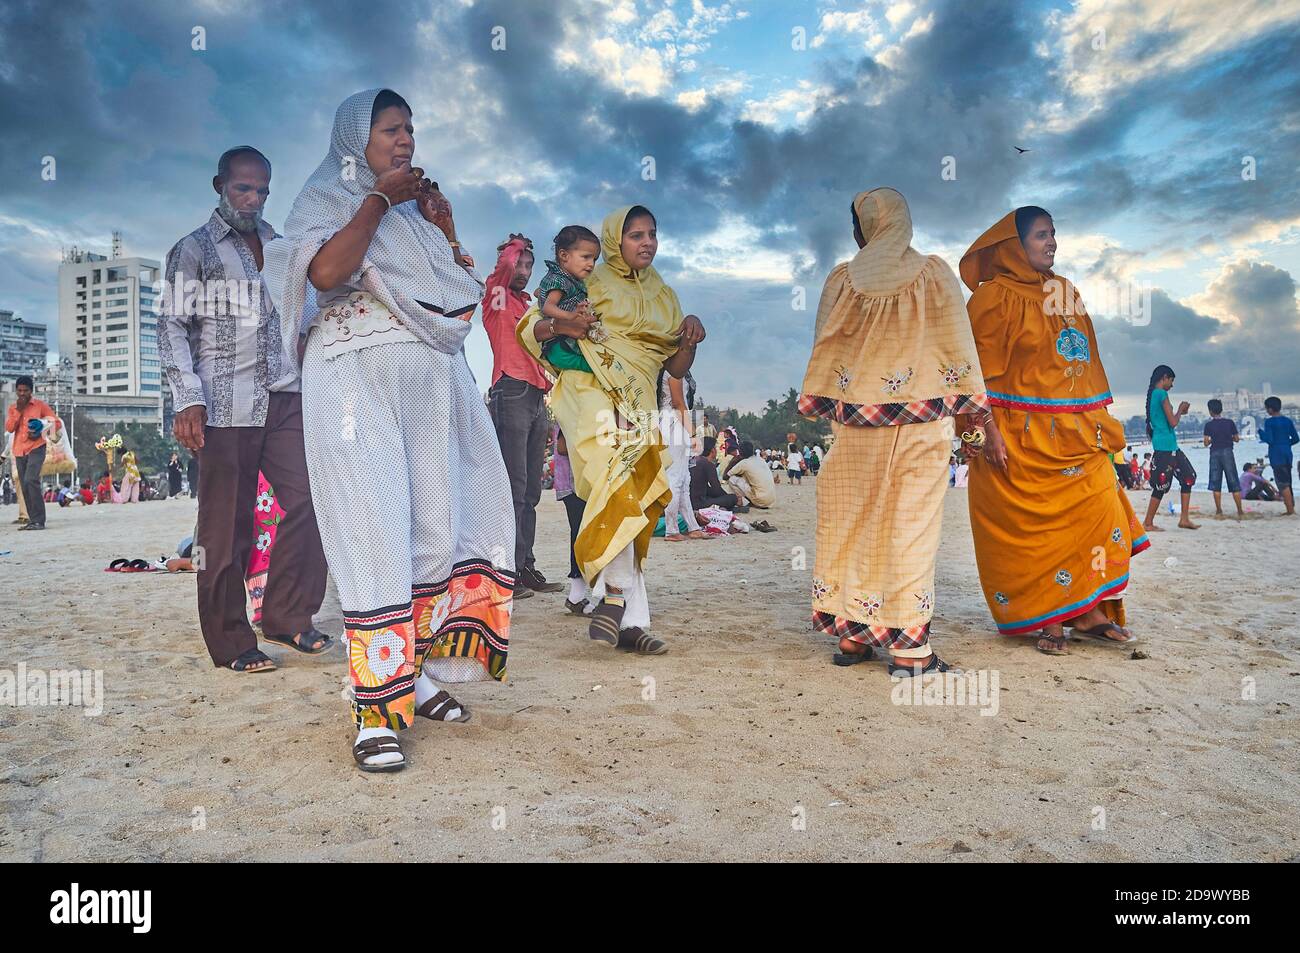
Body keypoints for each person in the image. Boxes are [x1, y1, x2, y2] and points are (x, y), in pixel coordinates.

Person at [264, 88, 514, 772]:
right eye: (391, 129)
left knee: (435, 531)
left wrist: (444, 224)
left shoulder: (417, 214)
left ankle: (413, 673)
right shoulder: (326, 196)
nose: (406, 140)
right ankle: (373, 706)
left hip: (432, 381)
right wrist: (376, 198)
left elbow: (454, 295)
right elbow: (326, 271)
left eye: (411, 129)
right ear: (356, 138)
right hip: (354, 378)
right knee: (375, 528)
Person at [159, 143, 332, 676]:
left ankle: (284, 614)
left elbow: (303, 313)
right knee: (223, 528)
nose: (253, 199)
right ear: (219, 186)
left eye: (261, 190)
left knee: (313, 500)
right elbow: (171, 326)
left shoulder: (281, 247)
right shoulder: (193, 250)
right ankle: (231, 639)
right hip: (222, 404)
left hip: (285, 396)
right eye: (243, 188)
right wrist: (187, 398)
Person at [800, 187, 986, 674]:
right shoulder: (932, 273)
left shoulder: (841, 280)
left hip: (857, 425)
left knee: (852, 521)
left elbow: (826, 345)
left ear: (862, 228)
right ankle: (909, 649)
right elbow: (956, 342)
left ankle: (852, 638)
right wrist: (972, 410)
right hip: (923, 420)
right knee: (909, 529)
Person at [518, 204, 706, 656]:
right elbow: (533, 328)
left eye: (652, 234)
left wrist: (689, 341)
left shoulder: (666, 297)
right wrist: (566, 323)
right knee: (614, 479)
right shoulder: (588, 280)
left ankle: (630, 620)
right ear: (614, 242)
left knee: (634, 499)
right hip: (588, 391)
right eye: (636, 234)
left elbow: (671, 368)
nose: (647, 242)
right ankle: (617, 595)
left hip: (637, 401)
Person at [961, 205, 1148, 655]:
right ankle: (1052, 618)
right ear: (1015, 245)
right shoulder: (990, 299)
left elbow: (1081, 365)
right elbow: (968, 374)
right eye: (1042, 235)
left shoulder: (1065, 291)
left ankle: (1086, 611)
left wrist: (1096, 424)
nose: (1053, 243)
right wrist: (986, 431)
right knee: (1033, 531)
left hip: (1073, 432)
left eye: (1053, 234)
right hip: (1013, 433)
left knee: (1099, 506)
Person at [482, 232, 565, 598]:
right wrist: (515, 246)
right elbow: (503, 268)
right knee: (512, 487)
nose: (524, 270)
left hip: (536, 394)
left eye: (530, 265)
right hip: (510, 390)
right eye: (520, 263)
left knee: (531, 489)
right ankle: (506, 573)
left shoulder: (529, 305)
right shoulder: (496, 297)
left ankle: (524, 565)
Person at [536, 225, 603, 374]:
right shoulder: (561, 281)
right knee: (593, 366)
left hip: (566, 344)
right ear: (564, 255)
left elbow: (539, 292)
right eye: (586, 257)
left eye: (594, 259)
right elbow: (548, 307)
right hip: (560, 347)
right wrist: (570, 315)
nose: (591, 264)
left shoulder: (570, 280)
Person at [1141, 365, 1199, 531]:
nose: (1172, 385)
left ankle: (1184, 519)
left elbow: (1168, 420)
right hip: (1164, 446)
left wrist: (1180, 412)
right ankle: (1148, 522)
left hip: (1170, 445)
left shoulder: (1154, 395)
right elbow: (1173, 422)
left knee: (1188, 476)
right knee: (1161, 484)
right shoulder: (1160, 393)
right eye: (1171, 380)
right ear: (1164, 377)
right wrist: (1180, 409)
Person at [659, 369, 708, 540]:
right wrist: (693, 434)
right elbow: (678, 403)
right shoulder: (674, 372)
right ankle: (671, 529)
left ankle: (692, 526)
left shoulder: (668, 370)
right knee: (676, 478)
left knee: (684, 478)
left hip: (671, 422)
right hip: (674, 423)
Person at [4, 375, 56, 530]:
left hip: (36, 447)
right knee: (25, 485)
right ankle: (32, 520)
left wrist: (42, 426)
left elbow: (55, 422)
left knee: (30, 480)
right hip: (19, 450)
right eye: (19, 390)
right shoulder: (13, 408)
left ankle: (40, 520)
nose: (22, 393)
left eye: (25, 390)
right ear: (16, 391)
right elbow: (9, 428)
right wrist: (18, 411)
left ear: (31, 391)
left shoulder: (40, 406)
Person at [1203, 398, 1243, 519]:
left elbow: (1206, 443)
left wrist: (1213, 439)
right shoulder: (1229, 422)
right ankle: (1240, 510)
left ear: (1210, 411)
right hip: (1228, 452)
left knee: (1216, 482)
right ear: (1221, 409)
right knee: (1233, 480)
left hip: (1215, 452)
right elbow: (1236, 439)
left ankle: (1219, 510)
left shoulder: (1208, 425)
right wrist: (1227, 438)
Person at [1260, 396, 1298, 515]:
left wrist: (1261, 433)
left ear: (1270, 409)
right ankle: (1291, 507)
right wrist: (1286, 444)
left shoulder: (1269, 422)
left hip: (1276, 454)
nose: (1266, 410)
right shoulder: (1287, 421)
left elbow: (1270, 439)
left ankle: (1290, 510)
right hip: (1287, 453)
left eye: (1266, 408)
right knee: (1288, 480)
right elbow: (1296, 438)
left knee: (1282, 482)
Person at [690, 436, 739, 511]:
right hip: (699, 504)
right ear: (712, 450)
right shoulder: (708, 464)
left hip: (689, 502)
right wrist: (727, 497)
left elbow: (706, 488)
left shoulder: (693, 461)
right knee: (733, 498)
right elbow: (716, 489)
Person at [723, 439, 776, 508]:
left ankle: (744, 501)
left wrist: (733, 461)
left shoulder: (744, 463)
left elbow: (725, 477)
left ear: (740, 452)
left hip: (760, 501)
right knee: (747, 476)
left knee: (732, 479)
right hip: (771, 501)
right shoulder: (761, 460)